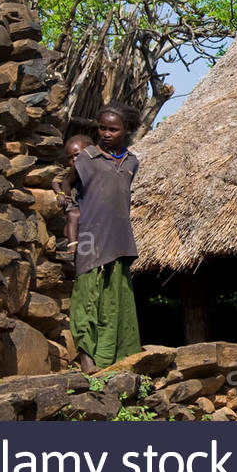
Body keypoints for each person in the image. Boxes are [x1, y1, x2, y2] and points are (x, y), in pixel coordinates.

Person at [68, 103, 144, 372]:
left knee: (116, 300)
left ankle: (114, 355)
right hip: (90, 237)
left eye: (113, 129)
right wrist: (69, 205)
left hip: (120, 238)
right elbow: (63, 184)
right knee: (87, 296)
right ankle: (87, 358)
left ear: (127, 130)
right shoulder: (86, 159)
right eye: (102, 128)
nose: (107, 133)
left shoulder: (132, 162)